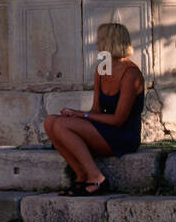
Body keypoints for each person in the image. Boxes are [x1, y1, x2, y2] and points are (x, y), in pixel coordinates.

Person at [43, 21, 144, 195]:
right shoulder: (102, 69)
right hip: (104, 130)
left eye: (100, 39)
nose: (96, 43)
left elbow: (118, 119)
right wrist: (77, 116)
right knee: (50, 121)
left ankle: (97, 177)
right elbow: (96, 109)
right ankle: (81, 176)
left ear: (110, 42)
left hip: (123, 134)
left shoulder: (131, 74)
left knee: (61, 125)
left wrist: (82, 115)